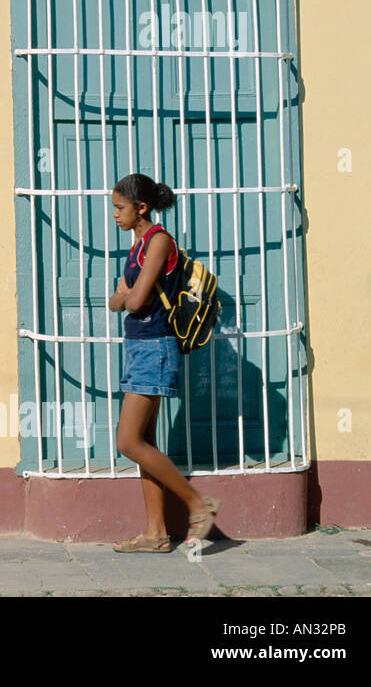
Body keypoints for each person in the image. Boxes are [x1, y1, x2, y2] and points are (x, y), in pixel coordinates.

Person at [107, 172, 220, 553]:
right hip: (140, 346)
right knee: (144, 442)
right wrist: (123, 297)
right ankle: (156, 534)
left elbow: (133, 301)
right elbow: (115, 299)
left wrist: (124, 297)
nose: (115, 216)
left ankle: (197, 503)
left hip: (156, 347)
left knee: (127, 441)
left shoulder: (158, 241)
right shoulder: (138, 244)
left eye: (120, 208)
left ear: (142, 208)